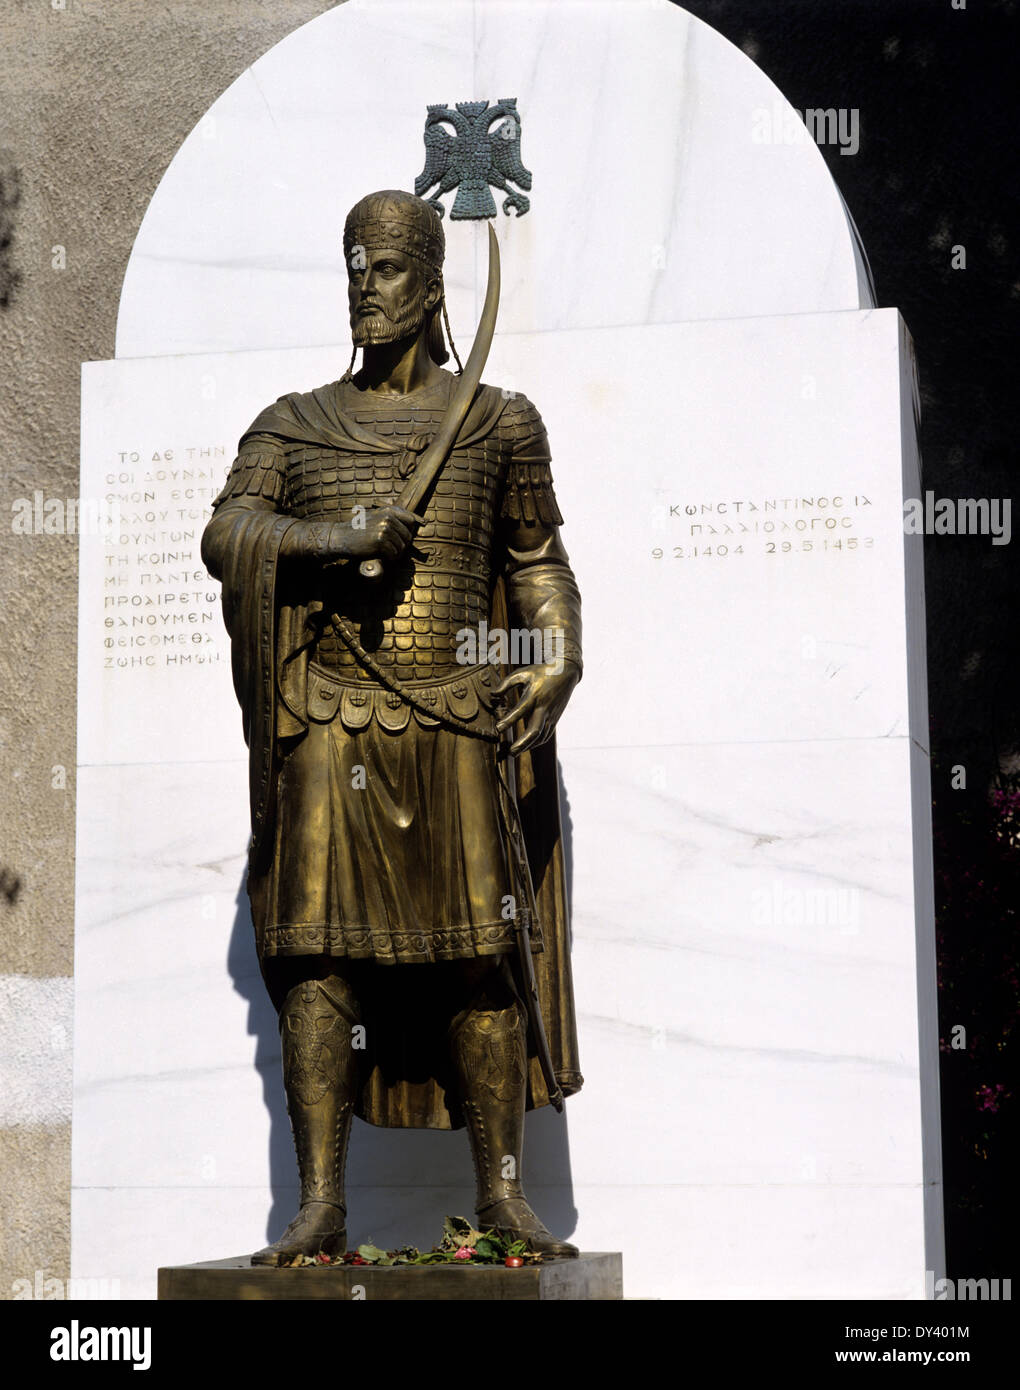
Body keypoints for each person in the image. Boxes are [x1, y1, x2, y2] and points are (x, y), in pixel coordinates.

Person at [201, 189, 583, 1264]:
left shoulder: (501, 420)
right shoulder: (292, 422)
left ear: (431, 282)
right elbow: (228, 532)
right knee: (320, 961)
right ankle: (321, 1202)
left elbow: (538, 563)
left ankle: (502, 1193)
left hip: (455, 716)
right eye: (354, 267)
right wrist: (337, 537)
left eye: (387, 268)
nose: (367, 287)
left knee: (480, 958)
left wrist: (556, 652)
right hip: (329, 717)